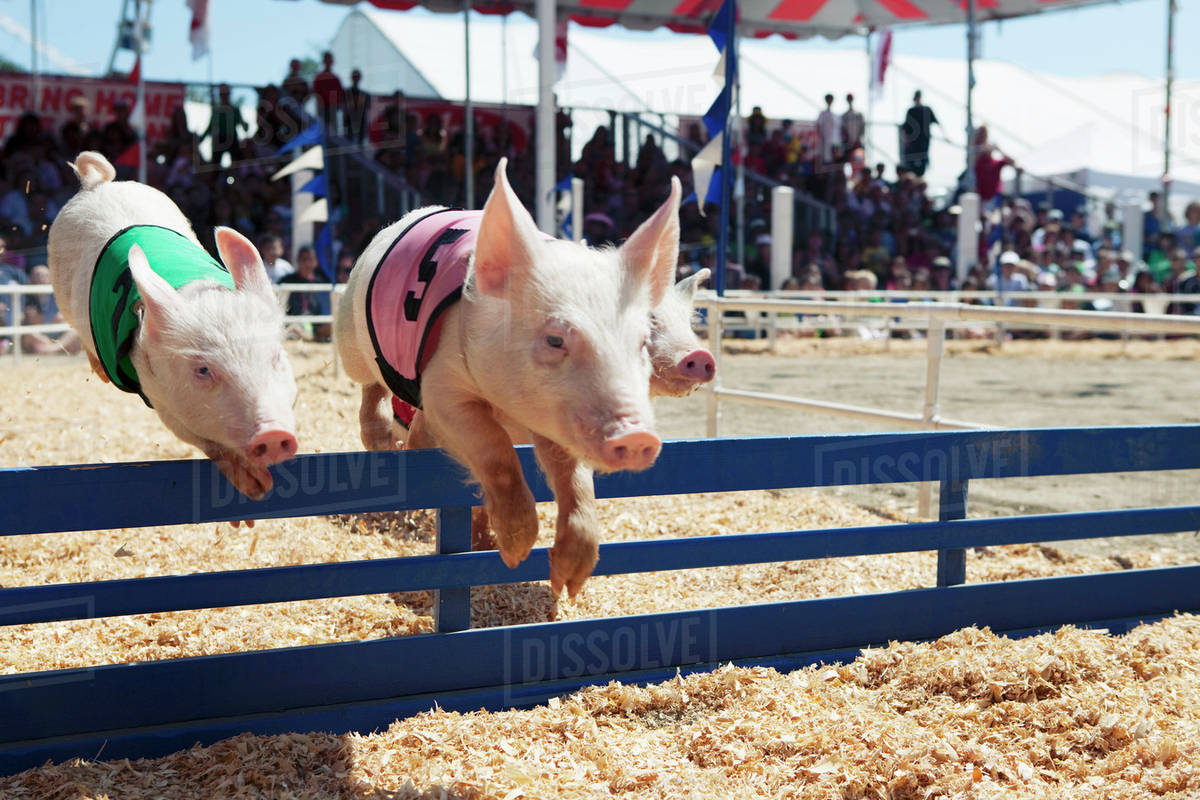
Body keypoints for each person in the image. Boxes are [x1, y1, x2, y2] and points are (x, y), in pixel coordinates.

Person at [280, 246, 332, 341]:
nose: (307, 263)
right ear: (298, 261)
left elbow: (326, 312)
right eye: (304, 259)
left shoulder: (322, 283)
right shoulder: (287, 281)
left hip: (317, 328)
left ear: (316, 262)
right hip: (294, 326)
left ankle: (310, 337)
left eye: (310, 259)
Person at [203, 84, 248, 168]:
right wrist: (201, 139)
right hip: (218, 140)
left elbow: (244, 126)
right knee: (215, 167)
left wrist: (246, 126)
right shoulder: (216, 111)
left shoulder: (235, 110)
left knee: (235, 166)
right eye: (222, 93)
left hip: (232, 139)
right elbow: (210, 127)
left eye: (226, 92)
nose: (224, 95)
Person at [900, 90, 938, 177]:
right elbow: (906, 128)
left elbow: (936, 122)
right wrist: (907, 141)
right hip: (913, 146)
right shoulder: (911, 111)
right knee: (911, 165)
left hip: (923, 145)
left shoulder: (927, 110)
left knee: (922, 166)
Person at [972, 126, 1013, 204]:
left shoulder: (996, 162)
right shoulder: (978, 162)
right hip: (980, 198)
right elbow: (972, 160)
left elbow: (1011, 161)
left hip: (994, 199)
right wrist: (980, 147)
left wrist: (999, 150)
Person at [312, 51, 345, 134]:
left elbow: (340, 94)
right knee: (323, 132)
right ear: (323, 61)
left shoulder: (335, 78)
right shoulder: (319, 77)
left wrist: (339, 106)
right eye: (326, 59)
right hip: (322, 109)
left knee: (333, 132)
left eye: (329, 59)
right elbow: (316, 93)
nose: (328, 62)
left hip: (333, 109)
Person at [344, 68, 370, 145]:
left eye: (357, 76)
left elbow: (367, 107)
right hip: (349, 123)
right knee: (348, 144)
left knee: (360, 144)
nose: (356, 78)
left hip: (361, 122)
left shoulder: (365, 94)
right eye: (354, 76)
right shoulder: (346, 93)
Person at [815, 94, 840, 165]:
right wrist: (822, 138)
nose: (829, 101)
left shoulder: (836, 115)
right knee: (825, 159)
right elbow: (818, 126)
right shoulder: (822, 114)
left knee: (833, 160)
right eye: (828, 99)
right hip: (824, 142)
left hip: (834, 142)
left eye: (831, 99)